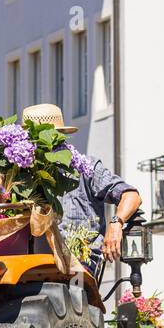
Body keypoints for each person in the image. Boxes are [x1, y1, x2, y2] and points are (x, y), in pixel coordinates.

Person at [32, 102, 142, 280]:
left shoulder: (85, 168)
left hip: (80, 266)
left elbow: (131, 195)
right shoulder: (19, 175)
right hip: (34, 268)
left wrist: (116, 223)